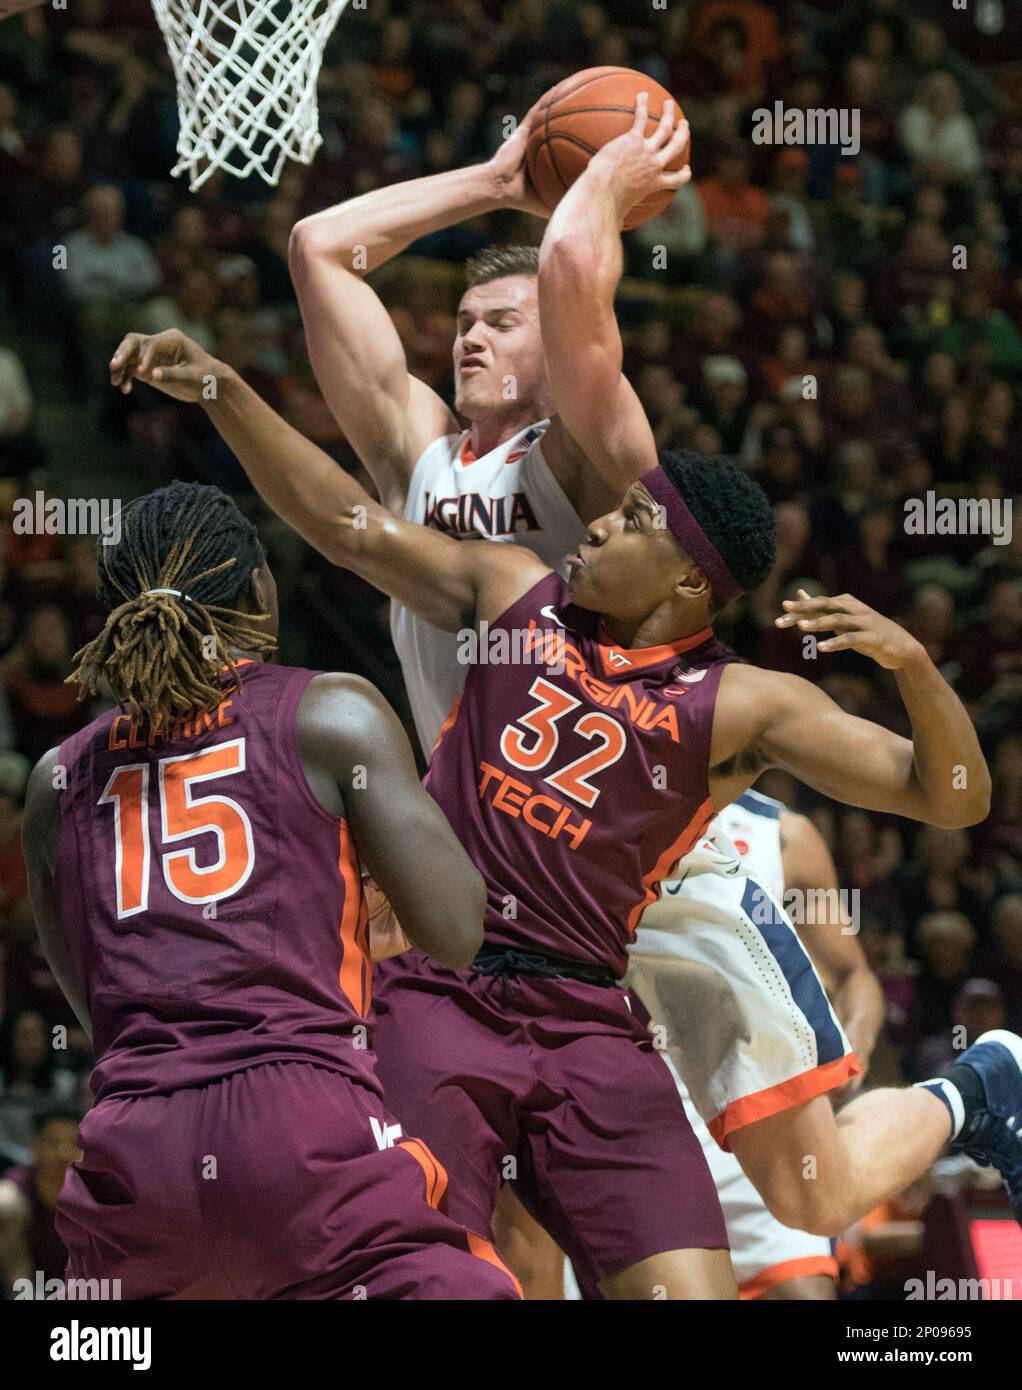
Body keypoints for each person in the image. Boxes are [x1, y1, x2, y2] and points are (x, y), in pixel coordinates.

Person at [109, 301, 1019, 1299]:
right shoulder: (510, 592)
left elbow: (953, 799)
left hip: (587, 1008)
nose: (595, 523)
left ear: (684, 580)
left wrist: (915, 664)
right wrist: (222, 388)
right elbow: (342, 523)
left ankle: (980, 1087)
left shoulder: (743, 705)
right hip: (442, 993)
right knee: (428, 1274)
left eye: (632, 521)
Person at [21, 481, 520, 1301]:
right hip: (298, 1121)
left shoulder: (55, 779)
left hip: (134, 1150)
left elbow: (99, 1006)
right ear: (260, 590)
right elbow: (459, 928)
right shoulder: (329, 713)